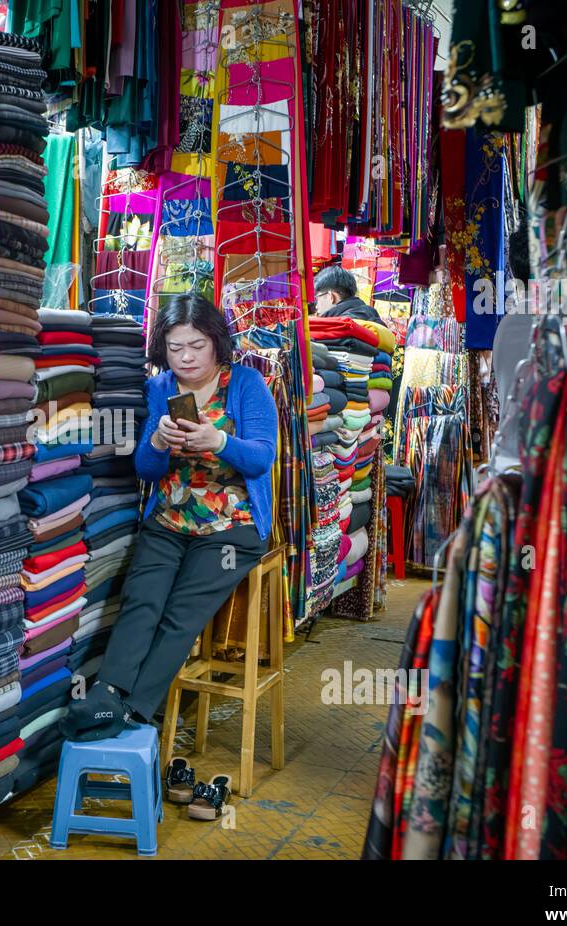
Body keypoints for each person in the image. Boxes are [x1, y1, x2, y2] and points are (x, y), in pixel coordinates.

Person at [61, 294, 278, 741]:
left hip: (230, 526)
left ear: (216, 342)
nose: (186, 357)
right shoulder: (158, 390)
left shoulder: (246, 384)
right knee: (142, 600)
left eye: (196, 345)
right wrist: (157, 442)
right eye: (176, 348)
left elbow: (261, 459)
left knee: (180, 613)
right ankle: (108, 693)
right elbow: (145, 470)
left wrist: (218, 441)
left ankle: (137, 711)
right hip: (169, 519)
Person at [313, 264, 385, 325]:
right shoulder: (372, 316)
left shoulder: (339, 325)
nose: (316, 306)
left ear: (330, 296)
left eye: (317, 298)